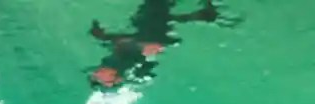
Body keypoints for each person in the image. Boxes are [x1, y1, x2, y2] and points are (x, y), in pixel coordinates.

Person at [86, 0, 241, 91]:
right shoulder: (124, 69)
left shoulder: (112, 66)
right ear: (111, 81)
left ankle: (203, 16)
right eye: (99, 77)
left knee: (157, 13)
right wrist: (143, 49)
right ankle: (205, 16)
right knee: (156, 9)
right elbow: (133, 50)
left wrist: (103, 37)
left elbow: (123, 47)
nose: (97, 73)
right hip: (149, 37)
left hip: (146, 36)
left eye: (96, 75)